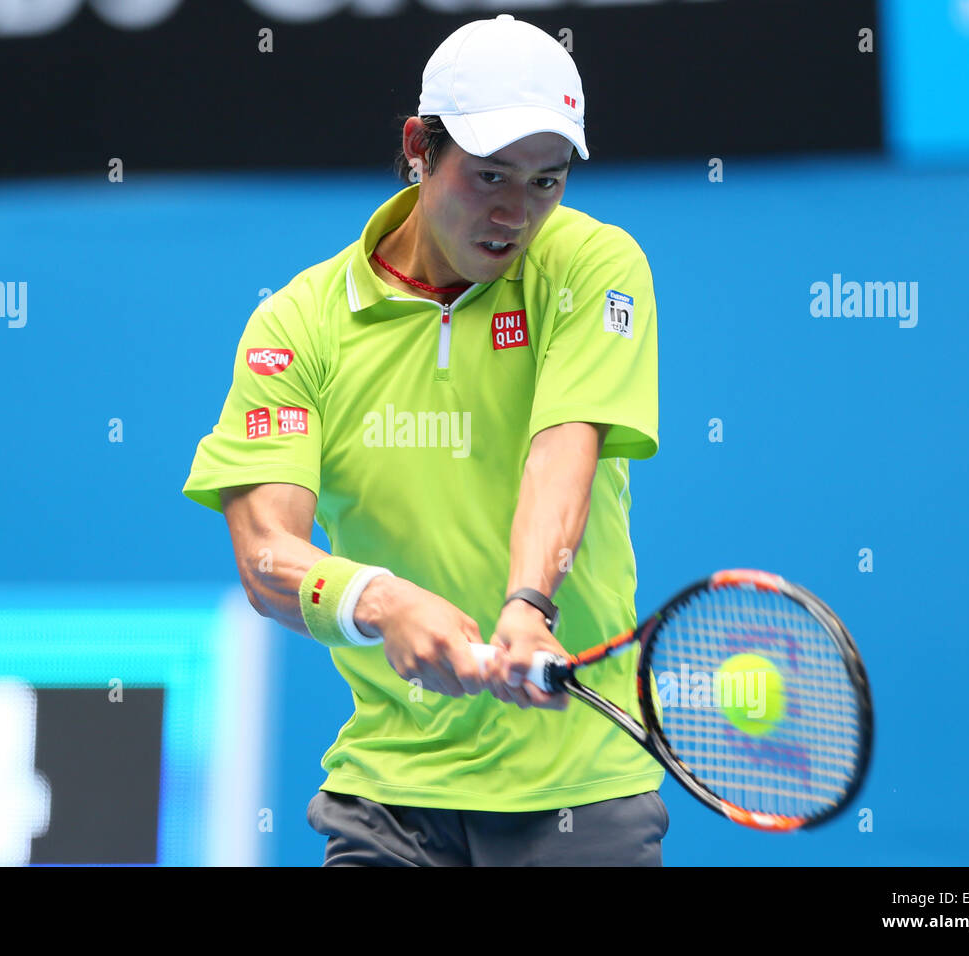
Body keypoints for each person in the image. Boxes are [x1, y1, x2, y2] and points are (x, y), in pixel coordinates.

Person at [182, 14, 666, 866]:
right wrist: (381, 601)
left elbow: (560, 453)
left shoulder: (592, 266)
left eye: (547, 182)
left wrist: (527, 606)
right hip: (387, 799)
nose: (517, 212)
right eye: (489, 177)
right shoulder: (298, 326)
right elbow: (266, 556)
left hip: (578, 798)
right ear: (418, 146)